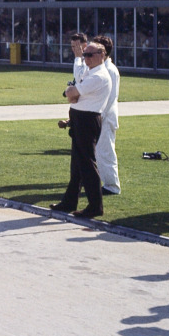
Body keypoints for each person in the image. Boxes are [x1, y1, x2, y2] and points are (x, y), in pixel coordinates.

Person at [49, 41, 111, 218]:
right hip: (80, 118)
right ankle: (69, 201)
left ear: (102, 55)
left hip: (87, 120)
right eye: (85, 55)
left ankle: (95, 206)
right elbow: (73, 97)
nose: (86, 58)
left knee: (87, 165)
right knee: (77, 165)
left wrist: (72, 92)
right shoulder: (90, 72)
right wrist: (73, 94)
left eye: (90, 55)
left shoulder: (98, 76)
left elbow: (70, 94)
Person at [95, 34, 121, 196]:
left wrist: (99, 116)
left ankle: (112, 185)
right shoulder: (101, 69)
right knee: (98, 152)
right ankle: (103, 181)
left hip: (105, 118)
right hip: (98, 116)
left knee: (106, 152)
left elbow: (110, 97)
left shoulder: (111, 70)